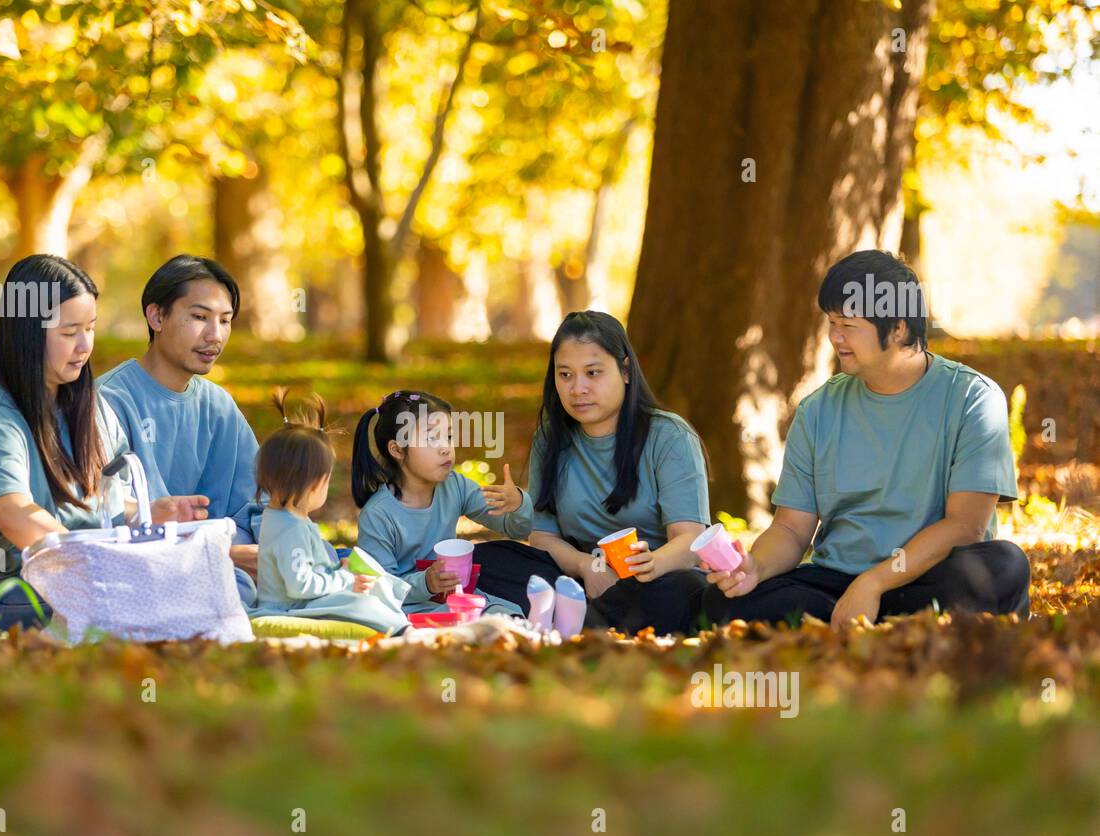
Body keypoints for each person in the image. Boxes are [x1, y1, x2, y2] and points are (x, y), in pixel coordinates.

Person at [700, 250, 1030, 629]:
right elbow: (791, 528)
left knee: (1005, 566)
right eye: (830, 322)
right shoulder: (818, 410)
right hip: (836, 584)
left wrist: (874, 584)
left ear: (899, 328)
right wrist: (755, 567)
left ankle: (877, 623)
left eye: (847, 325)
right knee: (721, 602)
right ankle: (889, 627)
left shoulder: (972, 398)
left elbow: (965, 526)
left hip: (926, 577)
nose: (834, 337)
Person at [0, 254, 208, 634]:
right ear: (28, 332)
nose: (84, 346)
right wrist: (97, 566)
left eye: (90, 328)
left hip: (76, 580)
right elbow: (13, 513)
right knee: (142, 601)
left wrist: (152, 513)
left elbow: (103, 507)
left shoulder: (88, 407)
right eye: (68, 331)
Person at [472, 311, 713, 635]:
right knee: (484, 560)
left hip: (653, 578)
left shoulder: (669, 436)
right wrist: (589, 567)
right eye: (566, 375)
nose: (578, 388)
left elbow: (689, 538)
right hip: (580, 577)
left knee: (685, 590)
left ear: (625, 370)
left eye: (593, 373)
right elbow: (543, 537)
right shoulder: (552, 437)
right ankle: (576, 616)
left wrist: (648, 566)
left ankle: (568, 620)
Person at [97, 255, 260, 602]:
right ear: (156, 316)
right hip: (140, 578)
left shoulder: (219, 407)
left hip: (228, 571)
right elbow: (105, 519)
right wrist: (218, 555)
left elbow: (260, 503)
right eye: (199, 317)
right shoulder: (107, 401)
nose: (215, 336)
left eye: (225, 321)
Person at [353, 389, 533, 617]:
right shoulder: (378, 515)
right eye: (431, 438)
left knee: (510, 616)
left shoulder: (455, 486)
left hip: (458, 602)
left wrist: (517, 504)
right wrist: (426, 583)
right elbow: (379, 589)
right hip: (405, 614)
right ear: (397, 449)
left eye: (448, 437)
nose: (446, 447)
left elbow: (517, 528)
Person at [251, 389, 410, 633]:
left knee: (371, 583)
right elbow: (300, 586)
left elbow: (307, 567)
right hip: (292, 608)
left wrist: (338, 569)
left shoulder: (284, 517)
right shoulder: (289, 529)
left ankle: (400, 619)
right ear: (314, 484)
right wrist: (344, 579)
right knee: (360, 603)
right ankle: (402, 630)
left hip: (304, 599)